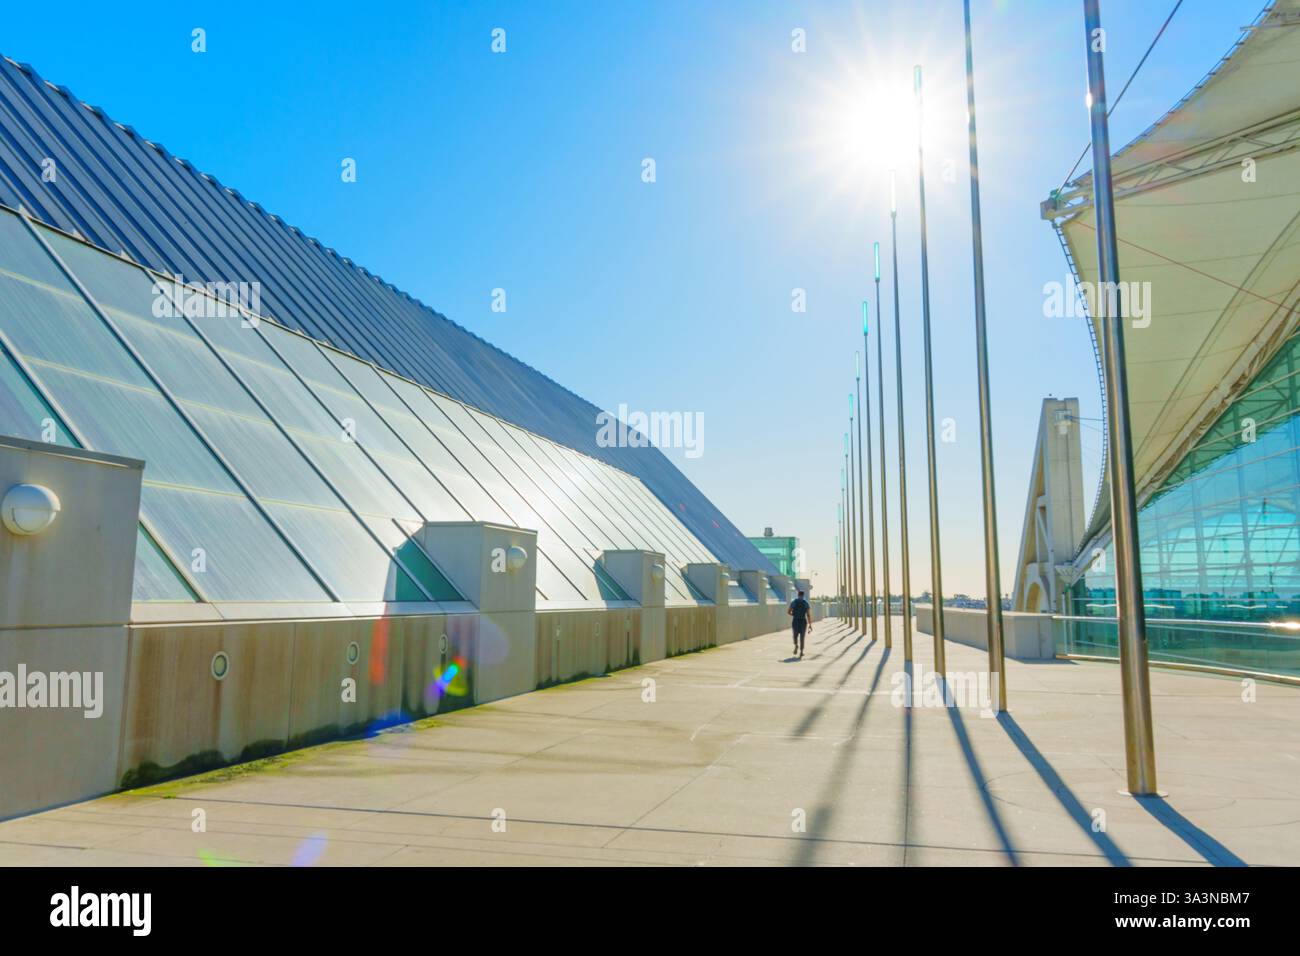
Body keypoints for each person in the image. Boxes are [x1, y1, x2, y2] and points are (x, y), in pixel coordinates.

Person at [788, 590, 812, 657]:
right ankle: (801, 651)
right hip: (803, 621)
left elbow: (788, 611)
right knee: (802, 637)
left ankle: (796, 645)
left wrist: (794, 614)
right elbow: (808, 615)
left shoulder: (794, 602)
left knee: (795, 635)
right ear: (803, 595)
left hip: (795, 621)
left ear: (798, 595)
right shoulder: (805, 603)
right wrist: (810, 624)